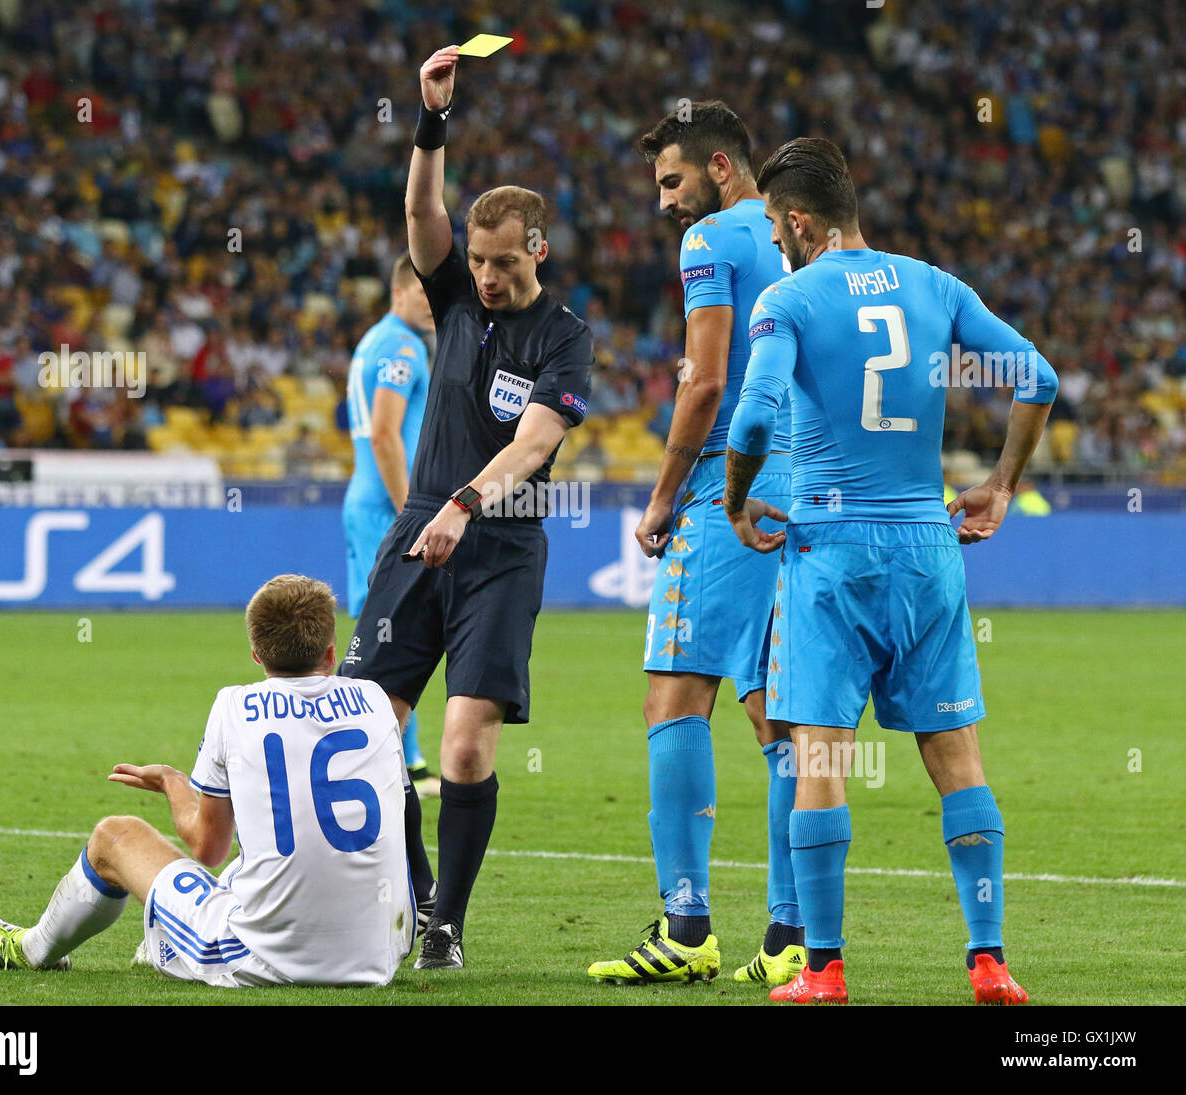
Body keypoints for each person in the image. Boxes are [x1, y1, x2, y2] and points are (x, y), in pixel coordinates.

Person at [723, 137, 1056, 1004]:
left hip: (830, 551)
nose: (771, 238)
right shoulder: (934, 286)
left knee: (821, 755)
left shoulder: (788, 298)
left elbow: (754, 419)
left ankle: (824, 970)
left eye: (771, 222)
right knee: (956, 755)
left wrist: (734, 499)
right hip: (926, 549)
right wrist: (1002, 485)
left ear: (799, 221)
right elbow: (1040, 377)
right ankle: (989, 959)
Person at [340, 44, 594, 971]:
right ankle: (411, 897)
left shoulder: (565, 336)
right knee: (369, 729)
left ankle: (446, 919)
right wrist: (431, 120)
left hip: (498, 546)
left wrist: (463, 501)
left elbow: (533, 443)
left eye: (499, 261)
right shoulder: (449, 300)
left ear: (536, 250)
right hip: (418, 536)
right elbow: (420, 209)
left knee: (466, 740)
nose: (483, 276)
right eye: (474, 261)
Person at [0, 574, 414, 987]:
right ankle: (165, 939)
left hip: (269, 960)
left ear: (256, 654)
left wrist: (175, 783)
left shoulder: (235, 706)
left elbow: (207, 848)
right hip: (382, 953)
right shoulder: (374, 700)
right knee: (248, 865)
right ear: (332, 652)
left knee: (116, 835)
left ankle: (32, 950)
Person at [588, 102, 802, 986]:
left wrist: (665, 495)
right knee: (779, 712)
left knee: (674, 697)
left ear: (720, 165)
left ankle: (686, 927)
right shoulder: (793, 236)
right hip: (803, 480)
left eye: (672, 181)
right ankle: (795, 936)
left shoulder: (712, 241)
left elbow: (706, 381)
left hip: (729, 485)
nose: (665, 203)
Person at [343, 252, 439, 796]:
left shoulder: (375, 341)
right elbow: (385, 433)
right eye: (422, 293)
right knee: (395, 630)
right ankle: (403, 759)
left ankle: (403, 757)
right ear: (399, 291)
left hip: (367, 498)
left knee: (378, 628)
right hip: (386, 504)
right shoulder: (401, 346)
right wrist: (411, 511)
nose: (430, 303)